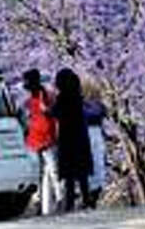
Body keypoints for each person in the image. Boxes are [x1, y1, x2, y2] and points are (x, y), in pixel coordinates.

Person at [51, 68, 93, 212]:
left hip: (67, 138)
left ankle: (70, 204)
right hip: (81, 137)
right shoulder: (78, 96)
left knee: (69, 175)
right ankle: (87, 200)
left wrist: (47, 109)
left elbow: (54, 113)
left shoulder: (62, 98)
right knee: (82, 174)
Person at [21, 68, 61, 215]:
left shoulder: (47, 96)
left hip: (47, 139)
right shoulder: (29, 100)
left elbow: (54, 113)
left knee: (53, 170)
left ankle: (59, 199)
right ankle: (40, 203)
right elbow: (26, 117)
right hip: (34, 139)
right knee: (38, 173)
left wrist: (47, 110)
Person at [83, 78, 107, 208]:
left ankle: (91, 191)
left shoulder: (82, 105)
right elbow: (103, 113)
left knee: (90, 162)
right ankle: (96, 188)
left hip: (86, 133)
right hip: (97, 133)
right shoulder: (99, 105)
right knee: (98, 162)